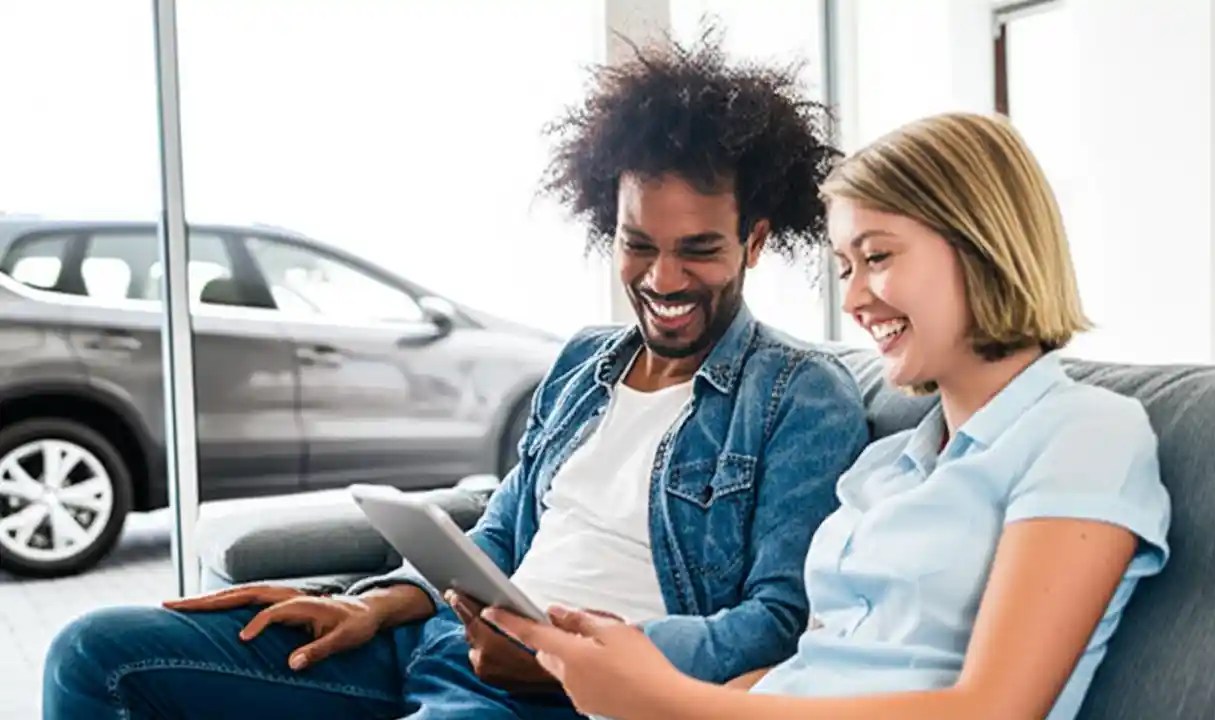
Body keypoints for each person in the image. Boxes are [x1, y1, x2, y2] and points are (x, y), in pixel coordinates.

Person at [42, 35, 870, 720]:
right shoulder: (587, 363)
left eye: (699, 250)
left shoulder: (799, 397)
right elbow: (503, 535)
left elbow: (781, 622)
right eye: (639, 244)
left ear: (755, 241)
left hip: (554, 694)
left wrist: (553, 659)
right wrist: (373, 602)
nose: (661, 279)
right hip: (440, 643)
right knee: (97, 654)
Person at [489, 112, 1173, 720]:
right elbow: (804, 675)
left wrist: (667, 698)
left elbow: (991, 708)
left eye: (877, 257)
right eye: (845, 267)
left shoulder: (1084, 434)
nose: (854, 302)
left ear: (982, 245)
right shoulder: (888, 469)